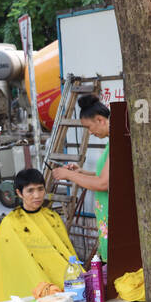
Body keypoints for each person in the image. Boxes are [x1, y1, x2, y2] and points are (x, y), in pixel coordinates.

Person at [0, 168, 78, 302]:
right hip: (28, 281)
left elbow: (65, 251)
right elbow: (9, 262)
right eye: (30, 191)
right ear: (19, 193)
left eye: (40, 189)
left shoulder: (52, 217)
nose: (37, 195)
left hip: (60, 276)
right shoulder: (10, 223)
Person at [49, 94, 112, 262]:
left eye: (89, 127)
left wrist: (69, 175)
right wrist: (81, 172)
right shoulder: (112, 142)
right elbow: (106, 176)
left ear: (100, 120)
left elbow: (103, 183)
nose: (90, 133)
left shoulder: (116, 144)